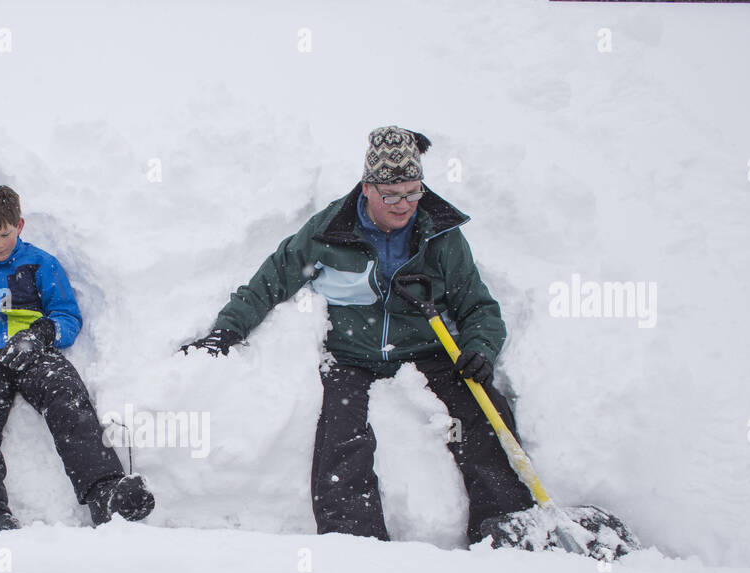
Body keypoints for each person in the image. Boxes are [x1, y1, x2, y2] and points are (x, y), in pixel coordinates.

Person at [182, 127, 533, 544]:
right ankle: (354, 543)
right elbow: (271, 280)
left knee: (481, 418)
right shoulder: (329, 231)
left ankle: (506, 528)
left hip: (426, 350)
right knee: (341, 438)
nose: (404, 205)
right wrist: (227, 329)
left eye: (413, 192)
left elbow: (479, 306)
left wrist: (480, 348)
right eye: (392, 195)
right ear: (368, 188)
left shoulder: (439, 235)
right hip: (351, 354)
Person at [0, 184, 154, 530]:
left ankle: (106, 492)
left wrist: (42, 335)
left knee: (69, 401)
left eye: (5, 234)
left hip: (33, 352)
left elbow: (67, 316)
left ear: (19, 225)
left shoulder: (41, 264)